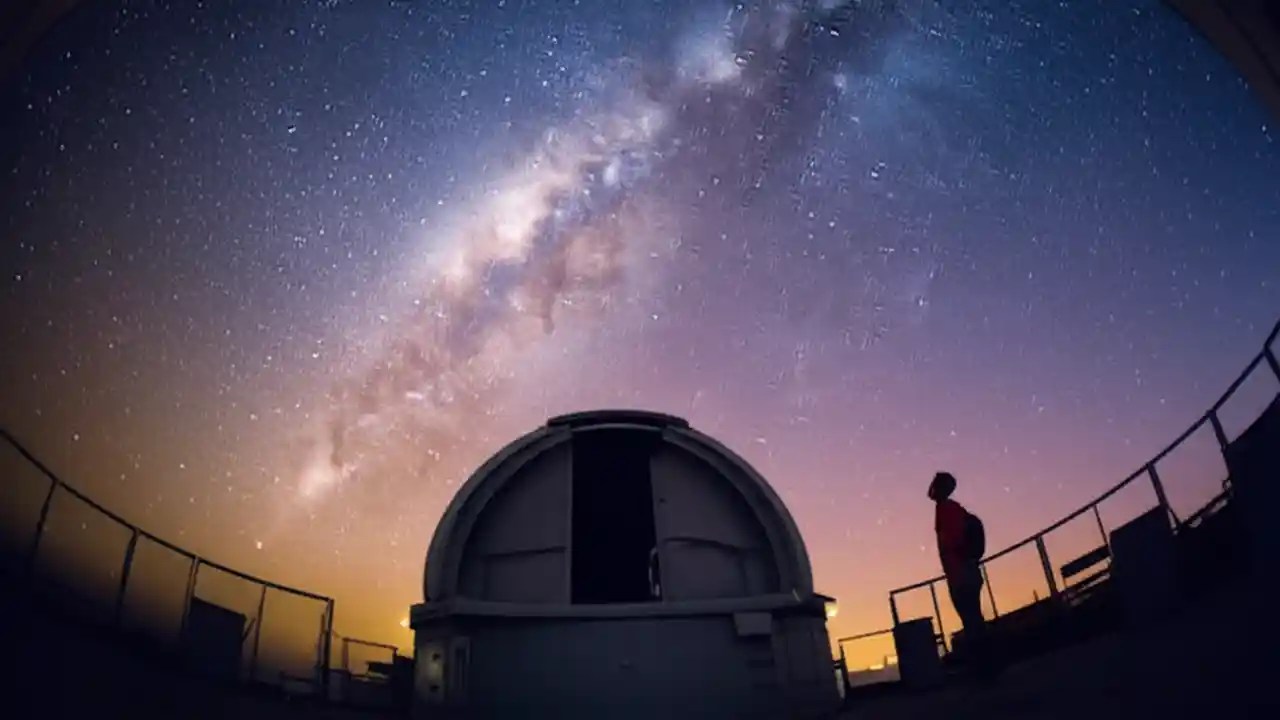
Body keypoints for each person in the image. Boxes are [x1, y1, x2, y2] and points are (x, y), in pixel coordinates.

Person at [928, 471, 994, 679]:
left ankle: (984, 668)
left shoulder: (947, 510)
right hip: (964, 572)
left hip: (961, 574)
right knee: (973, 618)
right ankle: (984, 667)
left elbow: (952, 542)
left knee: (972, 620)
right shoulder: (949, 509)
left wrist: (956, 561)